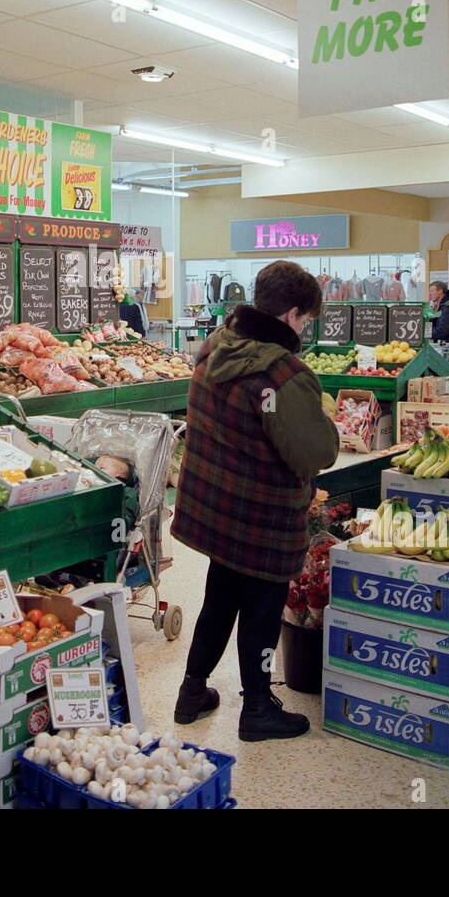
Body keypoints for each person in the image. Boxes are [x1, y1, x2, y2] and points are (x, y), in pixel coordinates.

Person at [172, 260, 338, 741]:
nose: (305, 329)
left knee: (219, 597)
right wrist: (323, 419)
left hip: (216, 508)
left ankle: (191, 690)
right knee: (264, 612)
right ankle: (259, 706)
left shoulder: (214, 347)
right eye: (305, 320)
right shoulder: (285, 374)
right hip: (262, 515)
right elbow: (316, 452)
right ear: (290, 314)